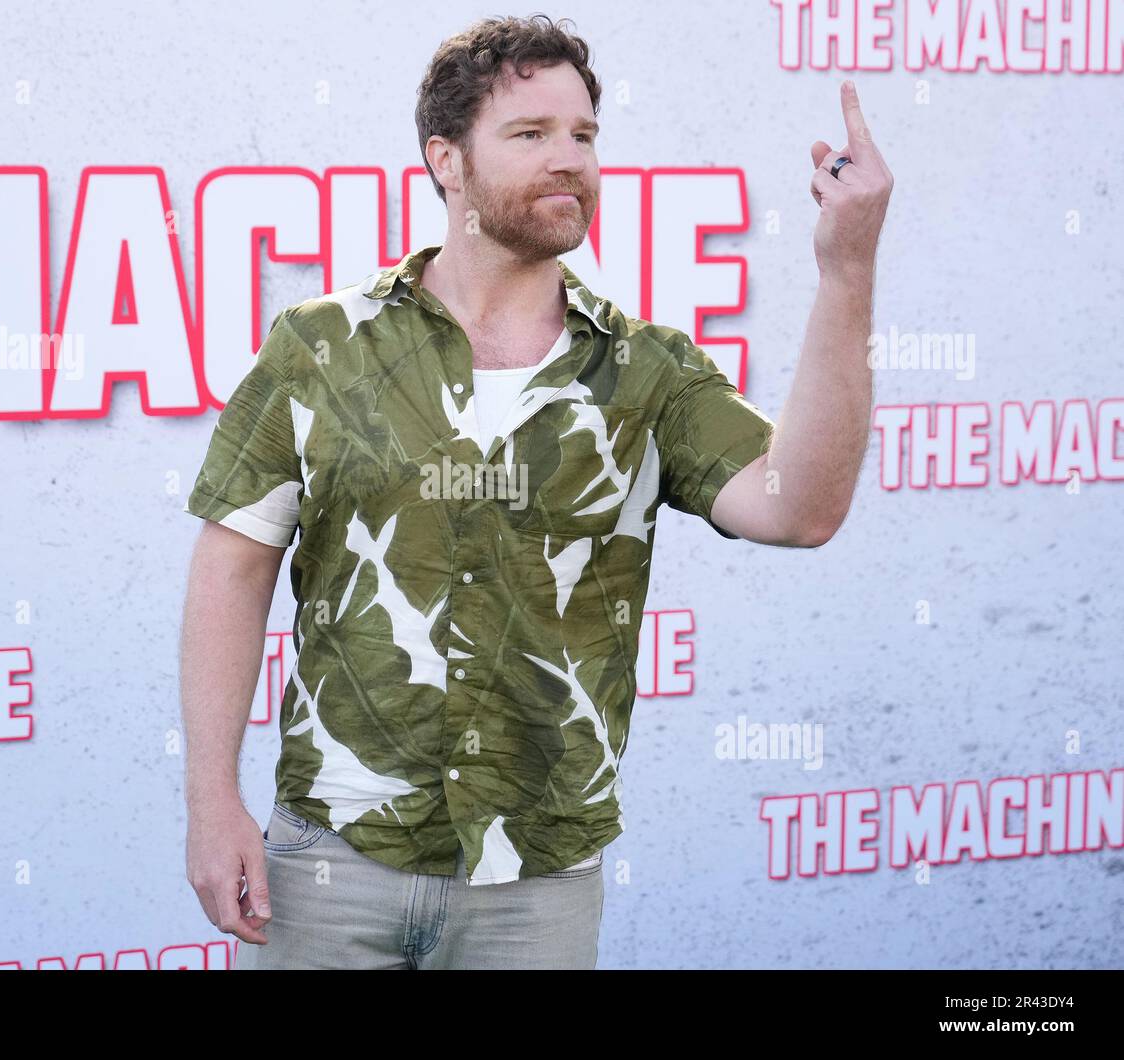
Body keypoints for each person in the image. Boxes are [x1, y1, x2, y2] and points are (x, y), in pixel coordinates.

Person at [179, 13, 891, 970]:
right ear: (447, 160)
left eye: (585, 135)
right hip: (332, 864)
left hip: (538, 888)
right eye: (530, 135)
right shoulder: (321, 346)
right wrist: (211, 798)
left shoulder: (647, 371)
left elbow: (801, 508)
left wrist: (846, 269)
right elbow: (233, 566)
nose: (569, 159)